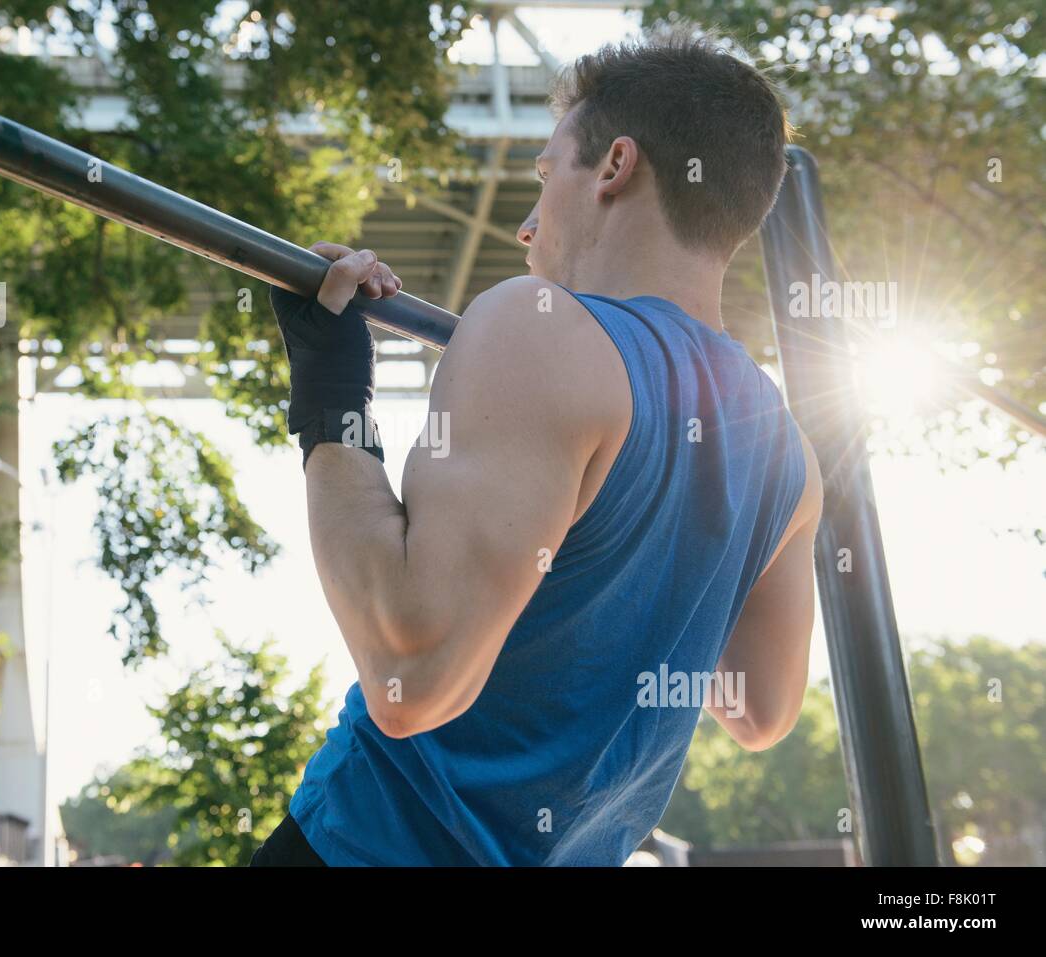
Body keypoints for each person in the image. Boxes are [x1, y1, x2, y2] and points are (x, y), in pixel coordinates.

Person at [252, 29, 823, 867]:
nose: (526, 227)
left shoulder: (539, 325)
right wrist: (652, 560)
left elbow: (412, 680)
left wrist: (333, 398)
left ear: (615, 166)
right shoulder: (788, 454)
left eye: (545, 174)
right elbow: (760, 708)